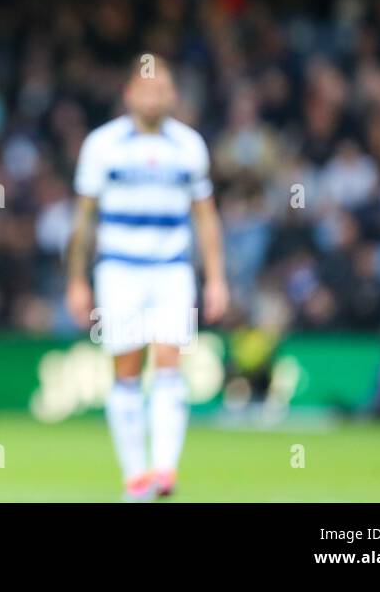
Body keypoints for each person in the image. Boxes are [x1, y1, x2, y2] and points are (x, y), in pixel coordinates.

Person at [65, 54, 229, 501]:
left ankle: (164, 471)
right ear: (129, 94)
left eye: (161, 90)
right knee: (127, 369)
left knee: (170, 360)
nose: (153, 97)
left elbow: (206, 217)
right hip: (118, 269)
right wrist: (76, 281)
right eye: (146, 89)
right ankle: (136, 475)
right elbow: (84, 219)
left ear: (172, 96)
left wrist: (216, 278)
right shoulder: (102, 145)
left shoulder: (190, 145)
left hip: (172, 268)